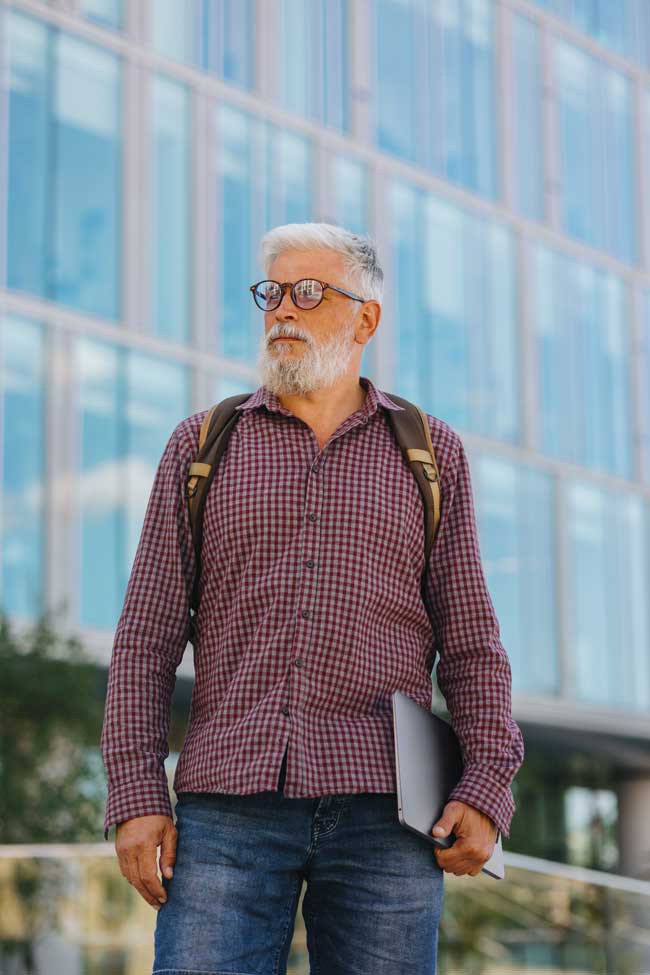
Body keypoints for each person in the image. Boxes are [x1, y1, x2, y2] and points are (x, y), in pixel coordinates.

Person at [100, 221, 525, 975]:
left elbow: (470, 642)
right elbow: (145, 638)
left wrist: (488, 783)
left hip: (388, 816)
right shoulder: (201, 446)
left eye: (307, 292)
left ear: (366, 317)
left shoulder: (431, 454)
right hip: (226, 808)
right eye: (272, 294)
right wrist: (135, 791)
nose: (282, 312)